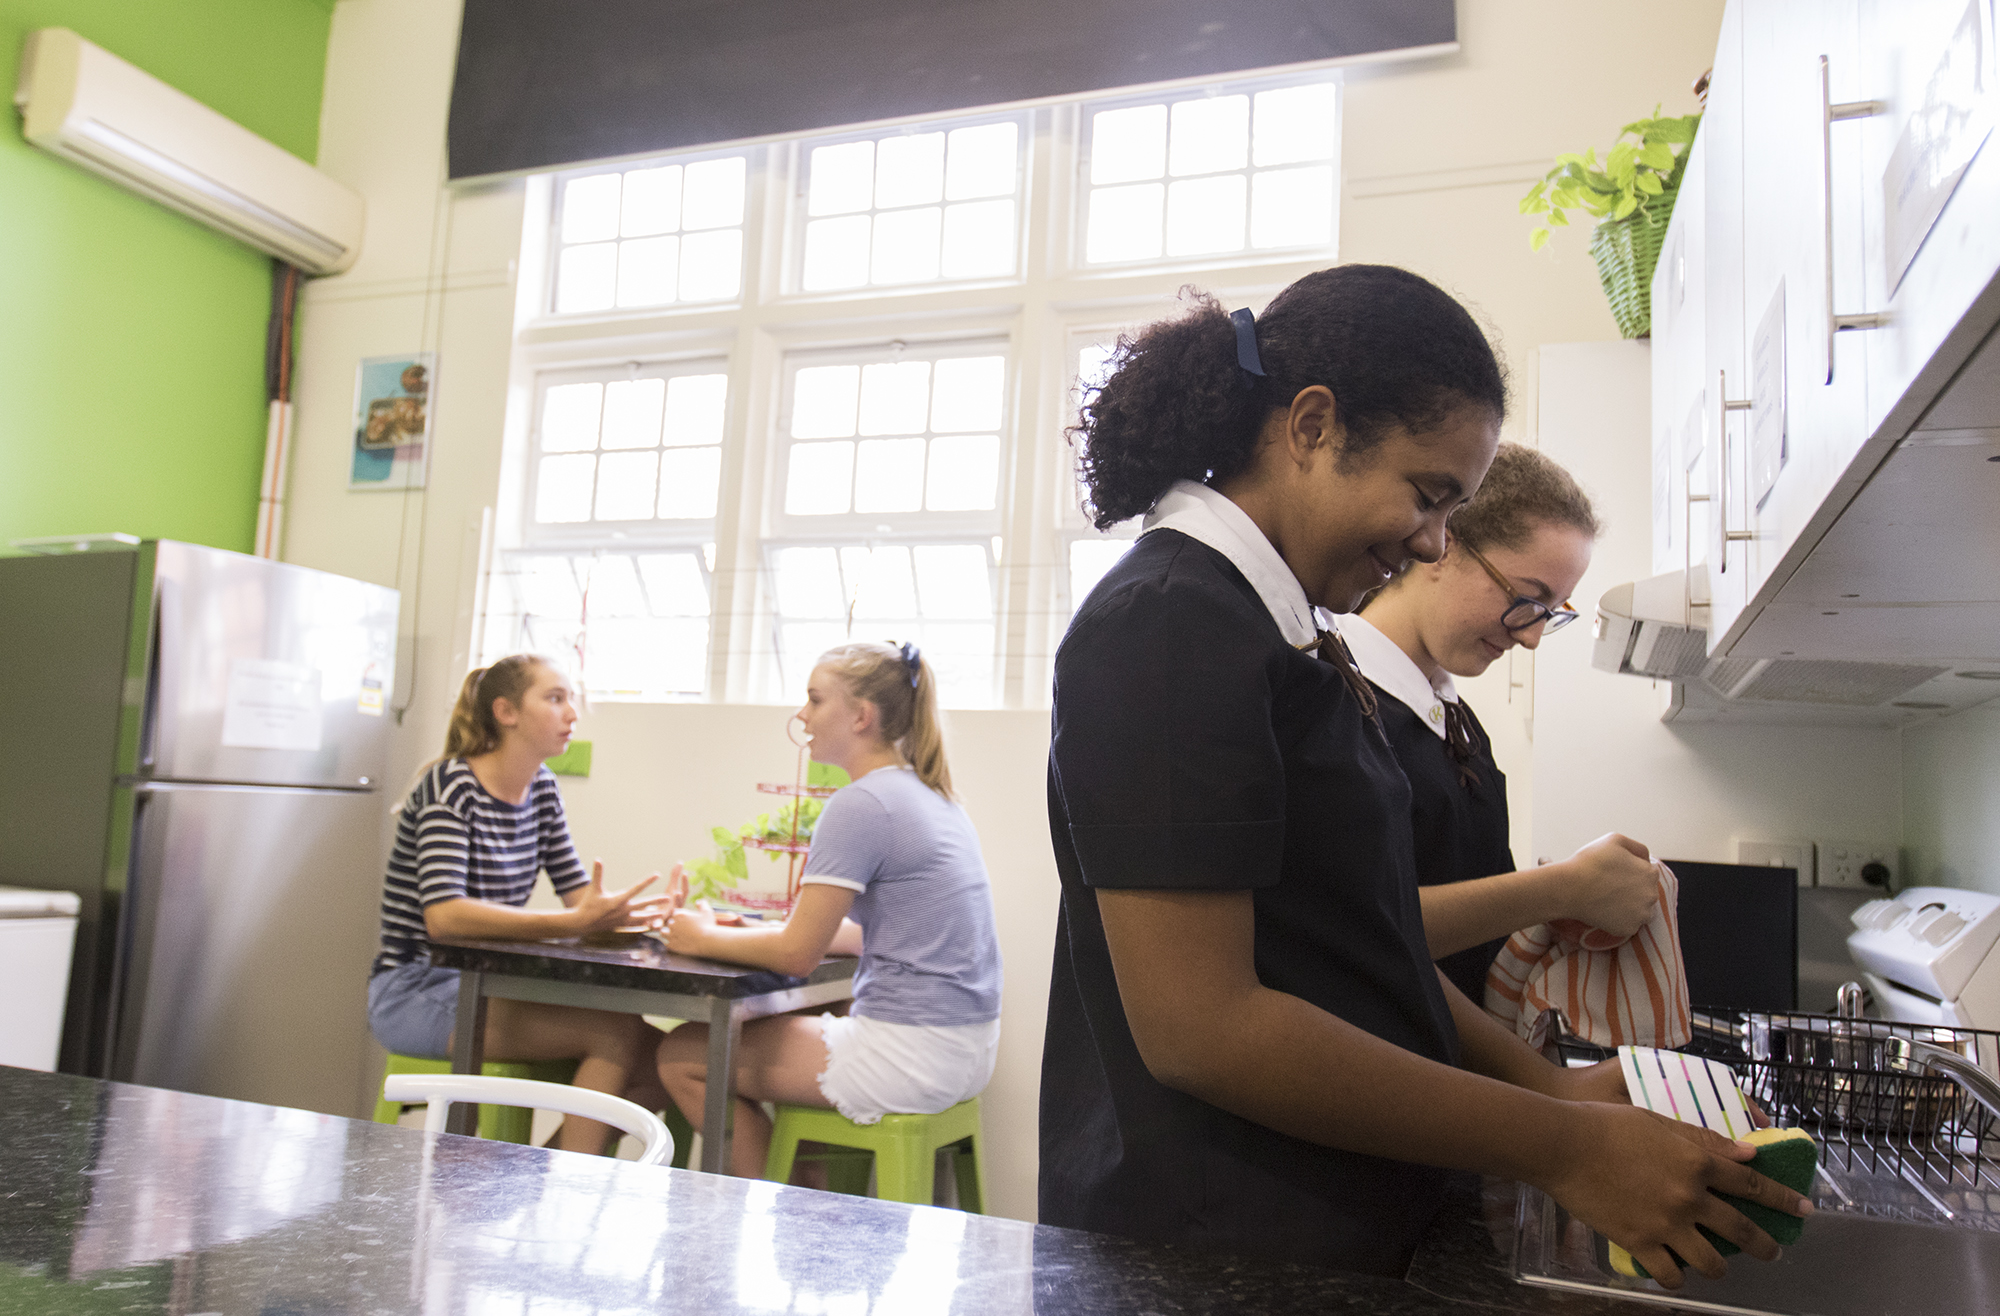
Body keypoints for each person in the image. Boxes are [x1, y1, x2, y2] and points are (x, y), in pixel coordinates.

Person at [1040, 266, 1808, 1284]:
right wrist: (1562, 1146)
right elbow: (1202, 1029)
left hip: (1335, 1224)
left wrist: (1551, 1092)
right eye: (1427, 493)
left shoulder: (1288, 635)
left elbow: (1361, 944)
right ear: (1310, 427)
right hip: (1212, 1248)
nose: (1431, 541)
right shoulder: (1170, 622)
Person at [655, 641, 1003, 1178]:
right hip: (966, 1050)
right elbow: (875, 935)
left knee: (681, 1055)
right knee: (793, 1030)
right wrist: (755, 928)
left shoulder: (861, 804)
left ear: (861, 717)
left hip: (909, 1053)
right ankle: (812, 1200)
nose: (802, 714)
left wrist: (698, 937)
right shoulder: (931, 796)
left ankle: (785, 1219)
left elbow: (796, 954)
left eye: (815, 700)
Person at [1337, 442, 1660, 1003]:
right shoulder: (1338, 709)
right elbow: (1356, 927)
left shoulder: (1460, 727)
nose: (1531, 635)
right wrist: (1565, 889)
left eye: (1550, 614)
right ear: (1444, 546)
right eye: (1526, 600)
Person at [367, 653, 668, 1155]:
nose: (572, 713)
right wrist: (573, 921)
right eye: (555, 699)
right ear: (506, 712)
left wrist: (652, 921)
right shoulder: (450, 788)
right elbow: (445, 917)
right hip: (415, 989)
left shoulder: (542, 788)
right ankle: (570, 1194)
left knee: (666, 1058)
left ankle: (537, 1179)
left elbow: (580, 899)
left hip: (486, 985)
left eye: (570, 699)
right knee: (614, 1033)